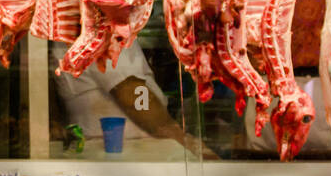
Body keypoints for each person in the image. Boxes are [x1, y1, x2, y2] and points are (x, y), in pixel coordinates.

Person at [49, 41, 217, 158]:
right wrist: (176, 135)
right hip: (126, 152)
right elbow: (131, 93)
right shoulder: (101, 29)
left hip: (116, 151)